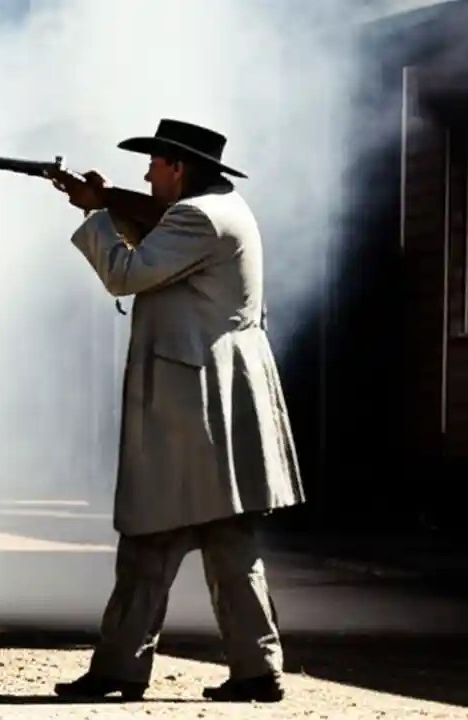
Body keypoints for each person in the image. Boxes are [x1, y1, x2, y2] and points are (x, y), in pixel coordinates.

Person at [44, 119, 304, 703]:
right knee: (227, 540)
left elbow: (126, 274)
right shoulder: (218, 207)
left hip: (194, 401)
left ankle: (120, 671)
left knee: (151, 533)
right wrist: (107, 198)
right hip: (214, 395)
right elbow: (159, 243)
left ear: (178, 168)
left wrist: (97, 215)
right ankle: (256, 670)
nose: (147, 173)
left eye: (155, 164)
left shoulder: (196, 217)